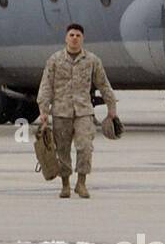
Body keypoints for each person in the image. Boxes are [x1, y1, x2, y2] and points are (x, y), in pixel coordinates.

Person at [37, 23, 118, 199]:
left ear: (82, 39)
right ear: (66, 38)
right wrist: (43, 111)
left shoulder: (92, 60)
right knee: (62, 150)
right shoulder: (55, 60)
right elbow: (46, 86)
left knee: (85, 147)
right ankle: (65, 184)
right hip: (61, 112)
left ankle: (81, 183)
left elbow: (104, 85)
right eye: (71, 35)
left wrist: (112, 109)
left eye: (78, 36)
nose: (74, 38)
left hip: (83, 111)